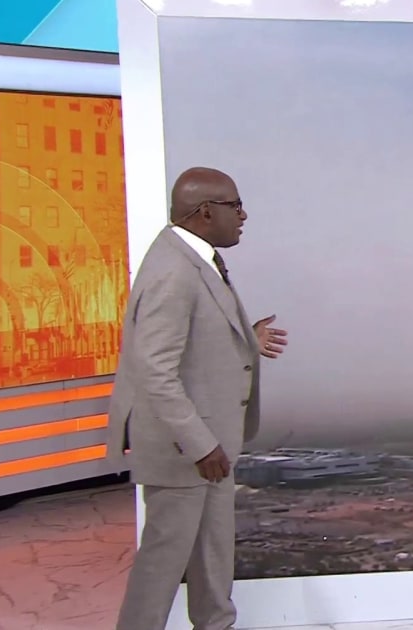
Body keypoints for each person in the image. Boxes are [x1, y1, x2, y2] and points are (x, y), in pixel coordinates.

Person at [105, 167, 288, 630]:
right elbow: (155, 369)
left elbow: (193, 344)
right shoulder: (174, 271)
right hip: (185, 449)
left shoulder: (194, 259)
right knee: (162, 565)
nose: (243, 216)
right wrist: (201, 445)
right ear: (205, 212)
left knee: (212, 558)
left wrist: (247, 339)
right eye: (235, 205)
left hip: (209, 445)